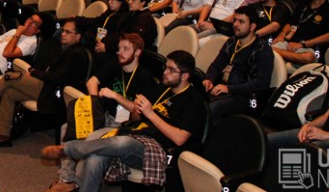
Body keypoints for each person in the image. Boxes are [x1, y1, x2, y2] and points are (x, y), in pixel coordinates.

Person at [40, 51, 207, 192]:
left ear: (185, 76)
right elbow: (136, 119)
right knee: (95, 158)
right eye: (166, 68)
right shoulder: (163, 89)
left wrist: (150, 114)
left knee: (121, 143)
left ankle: (68, 149)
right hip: (135, 134)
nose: (165, 72)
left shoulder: (194, 101)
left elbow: (180, 138)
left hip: (157, 149)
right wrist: (137, 111)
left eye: (172, 70)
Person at [0, 18, 90, 149]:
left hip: (54, 92)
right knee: (10, 93)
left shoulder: (76, 54)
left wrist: (33, 71)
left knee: (9, 76)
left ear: (78, 36)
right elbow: (49, 70)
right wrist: (38, 71)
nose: (63, 34)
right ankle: (3, 136)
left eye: (68, 32)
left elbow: (54, 77)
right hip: (46, 85)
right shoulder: (64, 48)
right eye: (63, 31)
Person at [47, 33, 155, 192]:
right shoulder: (114, 64)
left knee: (91, 139)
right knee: (67, 128)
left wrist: (116, 96)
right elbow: (92, 82)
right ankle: (67, 179)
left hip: (124, 126)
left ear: (138, 52)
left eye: (126, 49)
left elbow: (139, 111)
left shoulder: (145, 78)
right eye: (119, 48)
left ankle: (75, 179)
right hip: (105, 116)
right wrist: (94, 107)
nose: (120, 52)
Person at [203, 8, 274, 123]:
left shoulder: (262, 49)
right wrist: (209, 79)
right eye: (235, 20)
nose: (235, 24)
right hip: (225, 88)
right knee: (196, 95)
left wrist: (229, 88)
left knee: (214, 107)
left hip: (245, 96)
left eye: (241, 22)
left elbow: (262, 83)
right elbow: (216, 65)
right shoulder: (232, 42)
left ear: (252, 27)